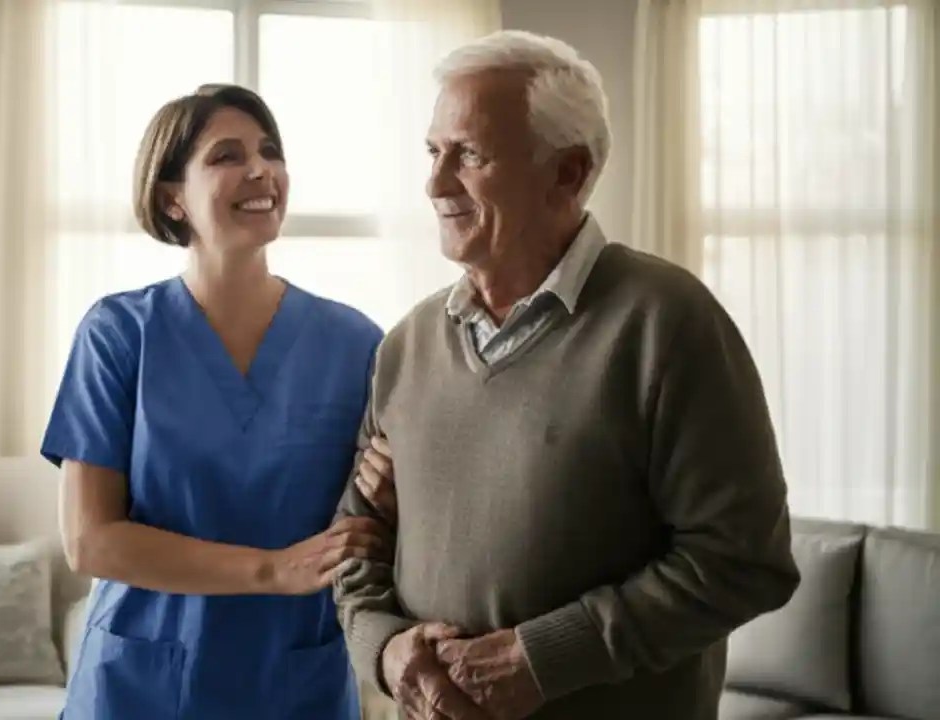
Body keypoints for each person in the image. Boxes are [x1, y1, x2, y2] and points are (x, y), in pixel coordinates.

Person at [335, 30, 801, 720]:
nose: (434, 183)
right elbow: (356, 542)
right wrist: (387, 647)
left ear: (569, 172)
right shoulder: (406, 345)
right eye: (433, 152)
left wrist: (541, 659)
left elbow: (743, 563)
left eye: (468, 154)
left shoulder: (668, 324)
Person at [42, 84, 392, 720]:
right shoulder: (119, 334)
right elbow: (90, 542)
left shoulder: (356, 344)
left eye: (270, 151)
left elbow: (381, 519)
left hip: (295, 680)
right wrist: (270, 570)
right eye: (226, 155)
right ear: (172, 196)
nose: (260, 169)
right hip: (140, 686)